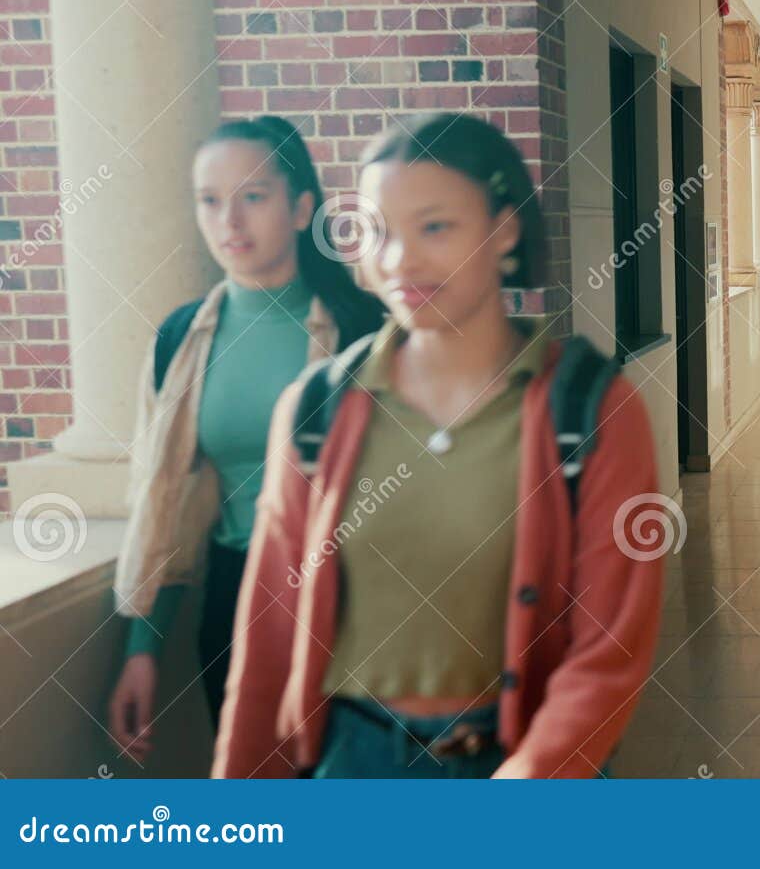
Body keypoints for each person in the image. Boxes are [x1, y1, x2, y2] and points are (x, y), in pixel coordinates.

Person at [210, 112, 663, 779]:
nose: (401, 258)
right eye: (378, 231)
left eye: (435, 226)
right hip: (351, 761)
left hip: (517, 760)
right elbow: (269, 631)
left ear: (504, 229)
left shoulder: (591, 408)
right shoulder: (316, 410)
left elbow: (609, 649)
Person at [107, 116, 386, 764]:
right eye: (210, 200)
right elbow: (165, 507)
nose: (228, 220)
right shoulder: (179, 343)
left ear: (301, 208)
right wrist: (141, 653)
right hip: (238, 606)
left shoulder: (367, 329)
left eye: (253, 196)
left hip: (365, 604)